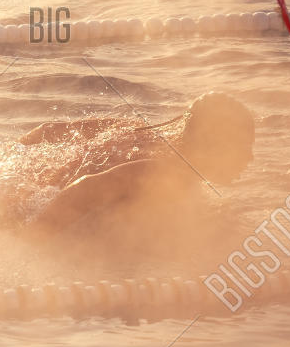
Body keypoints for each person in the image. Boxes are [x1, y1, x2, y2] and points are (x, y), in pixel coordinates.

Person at [29, 94, 255, 242]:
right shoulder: (165, 175)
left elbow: (47, 130)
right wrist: (30, 241)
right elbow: (86, 188)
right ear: (212, 145)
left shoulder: (143, 130)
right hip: (31, 207)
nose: (249, 157)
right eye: (243, 147)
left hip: (31, 185)